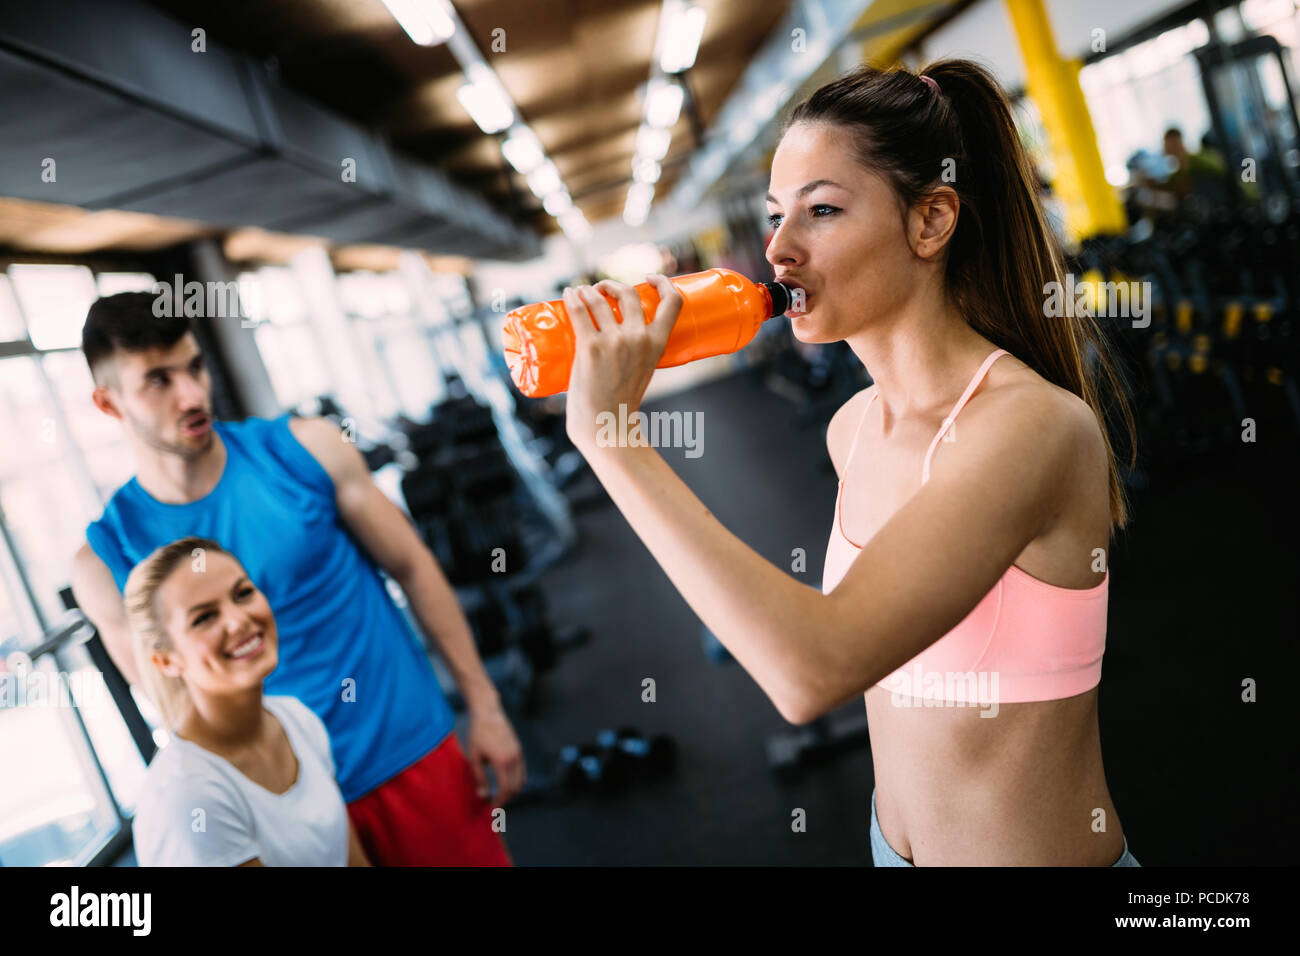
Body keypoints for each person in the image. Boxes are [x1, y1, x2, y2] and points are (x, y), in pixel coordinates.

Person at [555, 61, 1141, 866]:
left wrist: (612, 441)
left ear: (930, 221)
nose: (778, 249)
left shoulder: (1032, 428)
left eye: (821, 210)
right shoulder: (853, 427)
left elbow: (812, 669)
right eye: (775, 216)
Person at [69, 293, 520, 866]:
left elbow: (412, 565)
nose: (191, 394)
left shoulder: (304, 448)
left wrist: (486, 706)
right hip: (282, 810)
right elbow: (177, 709)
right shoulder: (107, 559)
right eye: (158, 380)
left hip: (404, 752)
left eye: (195, 367)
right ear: (108, 404)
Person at [125, 537, 369, 866]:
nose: (238, 620)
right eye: (204, 618)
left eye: (243, 594)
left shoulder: (297, 719)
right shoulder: (190, 797)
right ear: (166, 661)